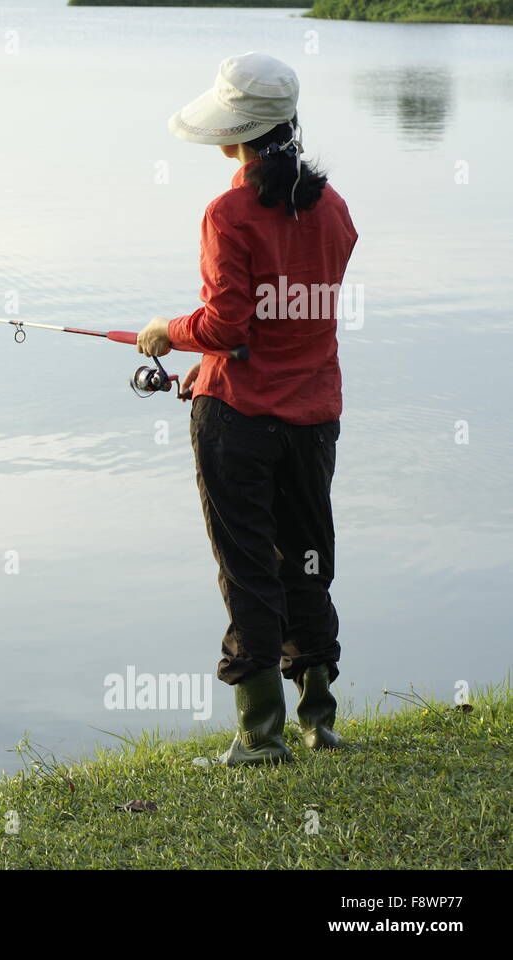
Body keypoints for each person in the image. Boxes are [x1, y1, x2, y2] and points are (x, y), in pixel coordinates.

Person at [136, 53, 358, 766]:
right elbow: (294, 307)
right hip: (315, 419)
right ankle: (317, 719)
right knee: (307, 559)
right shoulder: (334, 210)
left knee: (249, 569)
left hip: (239, 421)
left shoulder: (227, 213)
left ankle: (260, 736)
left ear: (236, 135)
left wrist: (167, 332)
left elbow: (229, 325)